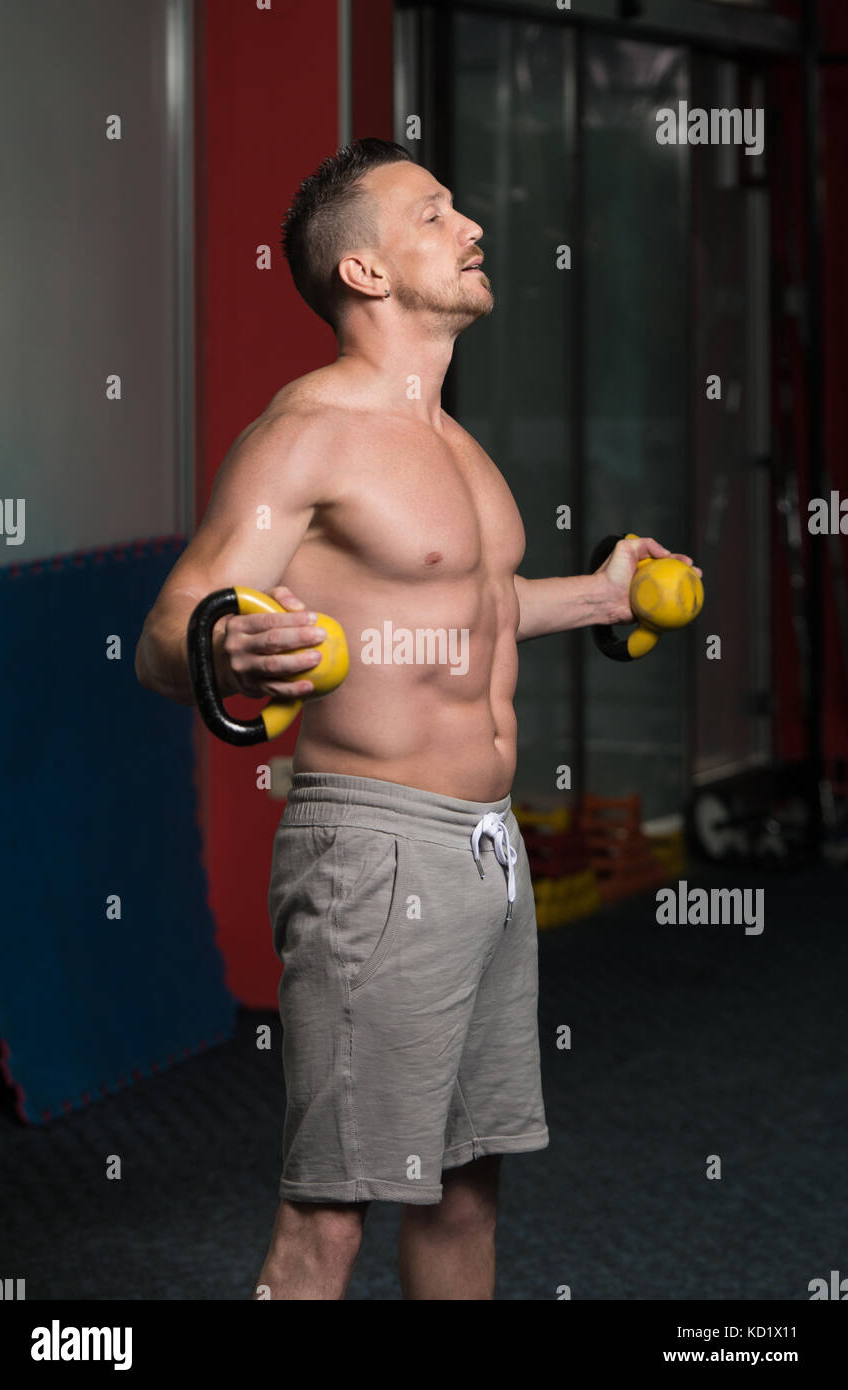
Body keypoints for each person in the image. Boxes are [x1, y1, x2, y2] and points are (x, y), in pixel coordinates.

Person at [135, 138, 701, 1300]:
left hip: (484, 850)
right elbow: (165, 632)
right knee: (329, 1217)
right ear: (368, 274)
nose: (472, 224)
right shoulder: (313, 429)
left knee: (463, 1188)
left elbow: (474, 608)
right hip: (372, 850)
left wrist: (599, 594)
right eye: (435, 215)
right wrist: (228, 645)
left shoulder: (457, 445)